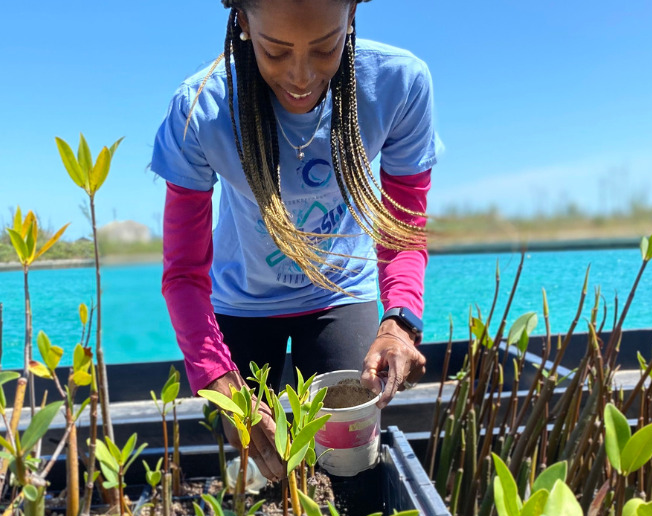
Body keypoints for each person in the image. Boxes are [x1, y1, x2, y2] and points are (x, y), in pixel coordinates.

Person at [150, 0, 441, 481]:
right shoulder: (200, 110)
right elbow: (183, 273)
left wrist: (400, 322)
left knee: (351, 466)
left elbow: (402, 234)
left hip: (339, 292)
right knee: (252, 468)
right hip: (239, 301)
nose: (302, 77)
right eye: (276, 52)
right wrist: (218, 378)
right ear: (242, 23)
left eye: (327, 49)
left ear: (350, 16)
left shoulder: (398, 85)